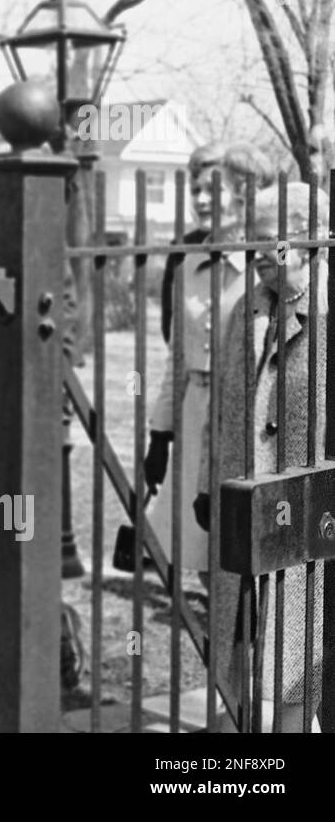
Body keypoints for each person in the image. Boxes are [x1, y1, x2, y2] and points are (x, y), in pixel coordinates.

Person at [196, 182, 325, 732]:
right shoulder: (241, 309)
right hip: (244, 503)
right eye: (247, 242)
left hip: (312, 513)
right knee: (240, 639)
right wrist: (208, 482)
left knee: (303, 655)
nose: (253, 256)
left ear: (307, 239)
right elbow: (219, 408)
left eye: (265, 242)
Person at [143, 143, 273, 576]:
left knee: (247, 552)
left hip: (251, 415)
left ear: (242, 194)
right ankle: (217, 644)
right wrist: (160, 433)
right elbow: (175, 358)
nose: (198, 200)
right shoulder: (187, 264)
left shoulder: (267, 264)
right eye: (194, 189)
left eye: (210, 190)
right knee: (198, 556)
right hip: (195, 414)